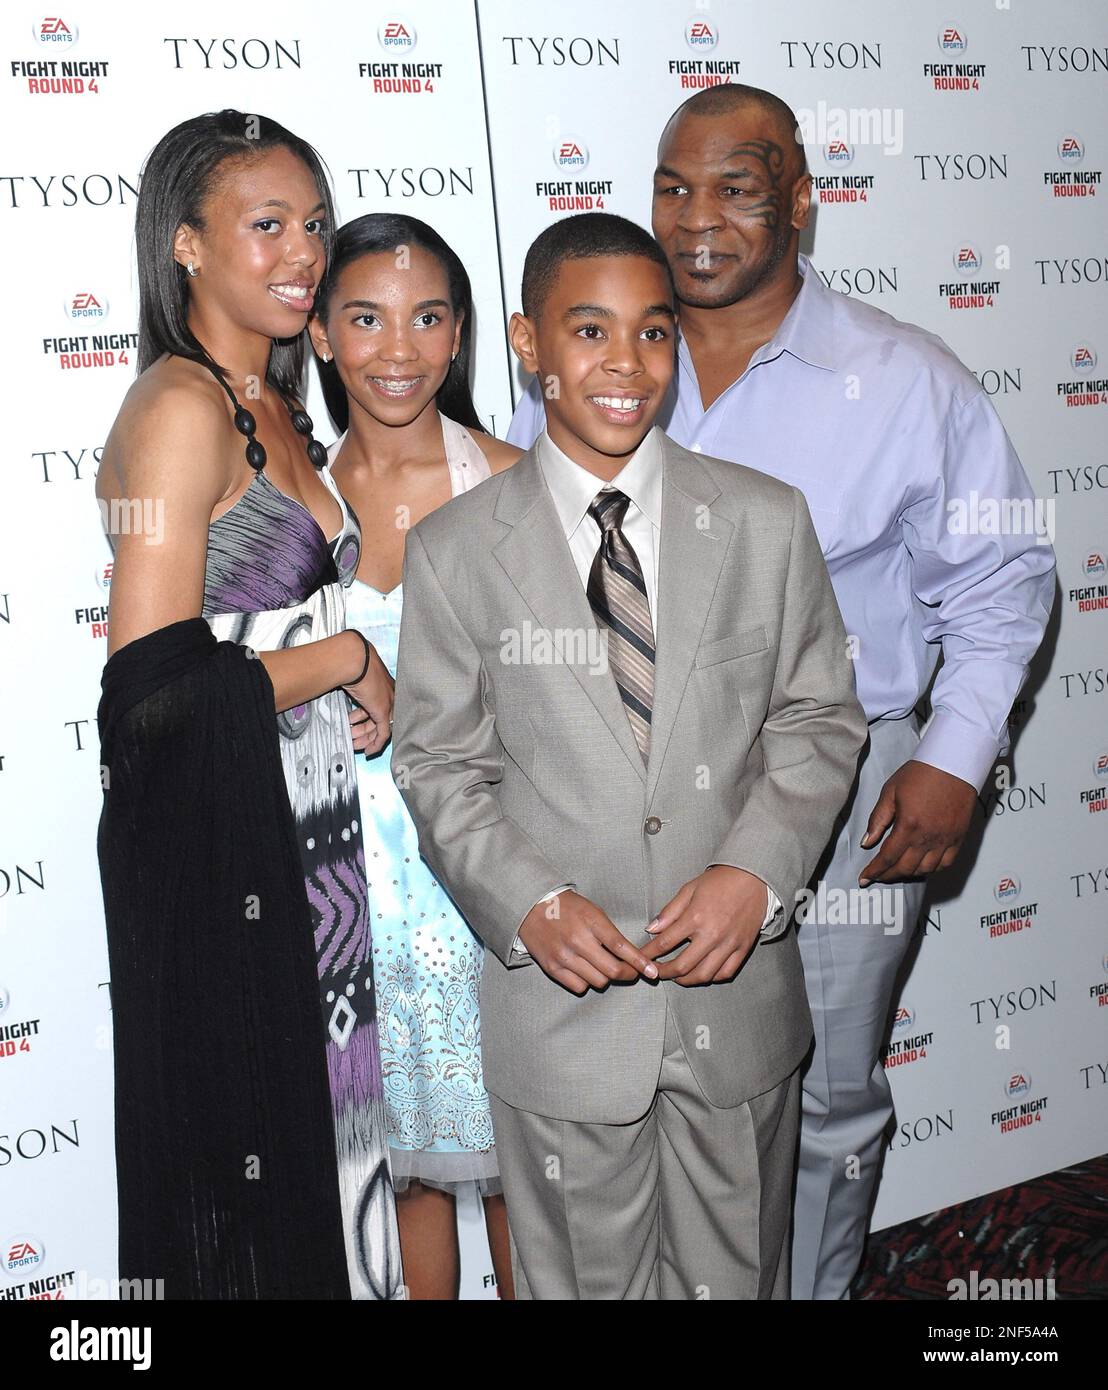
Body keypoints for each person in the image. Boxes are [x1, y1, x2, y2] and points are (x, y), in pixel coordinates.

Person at [507, 85, 1057, 1300]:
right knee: (645, 1094)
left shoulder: (903, 380)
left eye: (736, 187)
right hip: (621, 791)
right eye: (672, 185)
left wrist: (955, 755)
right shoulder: (587, 364)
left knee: (821, 1097)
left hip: (839, 789)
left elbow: (1002, 570)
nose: (697, 217)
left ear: (802, 201)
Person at [390, 211, 868, 1299]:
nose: (626, 366)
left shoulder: (761, 520)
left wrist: (754, 872)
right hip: (561, 1021)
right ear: (527, 344)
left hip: (734, 1010)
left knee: (739, 1279)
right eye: (589, 332)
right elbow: (437, 764)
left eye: (654, 334)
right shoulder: (458, 551)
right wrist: (530, 903)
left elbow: (818, 720)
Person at [95, 109, 401, 1299]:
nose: (303, 253)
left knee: (333, 1175)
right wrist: (340, 663)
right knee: (253, 1193)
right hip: (224, 867)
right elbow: (152, 702)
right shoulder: (179, 411)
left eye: (314, 225)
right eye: (265, 224)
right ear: (183, 244)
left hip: (312, 851)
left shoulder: (277, 398)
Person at [308, 213, 519, 1299]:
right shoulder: (294, 499)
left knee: (526, 1172)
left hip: (485, 879)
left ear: (459, 334)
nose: (399, 347)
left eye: (427, 316)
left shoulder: (514, 482)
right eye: (366, 317)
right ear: (321, 337)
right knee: (405, 1180)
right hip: (345, 891)